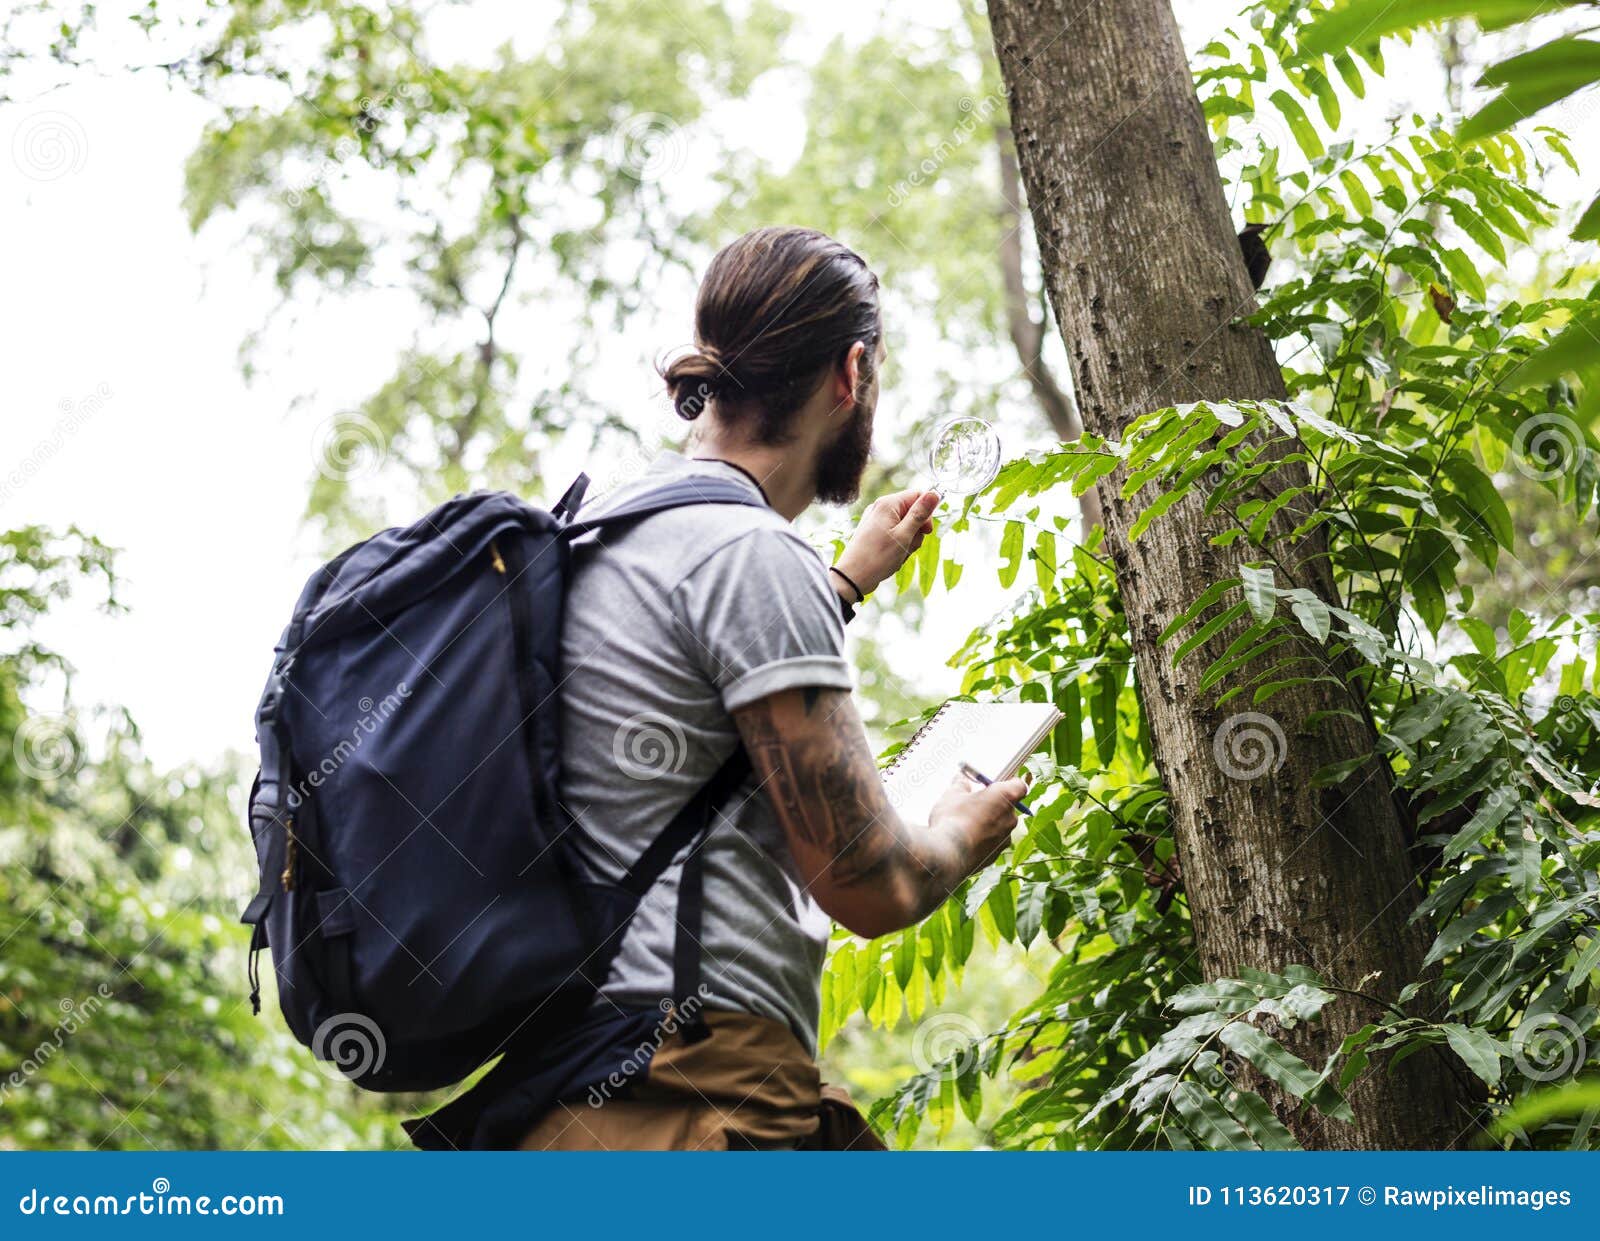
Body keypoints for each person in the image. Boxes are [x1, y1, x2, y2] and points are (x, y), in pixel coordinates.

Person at [413, 226, 1025, 1151]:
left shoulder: (604, 530)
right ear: (850, 374)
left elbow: (681, 708)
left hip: (566, 1093)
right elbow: (867, 886)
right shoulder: (754, 560)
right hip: (694, 1095)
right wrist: (956, 835)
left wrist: (845, 584)